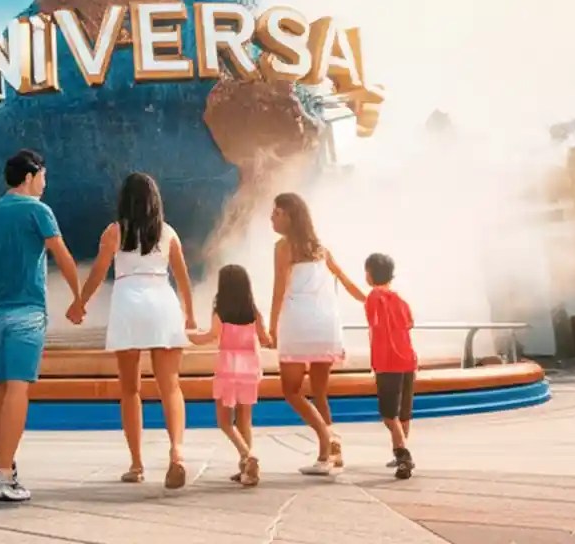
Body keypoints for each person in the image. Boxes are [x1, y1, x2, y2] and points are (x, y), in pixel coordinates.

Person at [69, 172, 196, 488]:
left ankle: (137, 464)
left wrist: (80, 303)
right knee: (171, 386)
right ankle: (177, 452)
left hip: (129, 303)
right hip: (162, 302)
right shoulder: (168, 234)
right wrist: (190, 315)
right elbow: (181, 277)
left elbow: (99, 271)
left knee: (130, 389)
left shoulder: (114, 232)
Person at [0, 149, 82, 502]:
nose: (45, 184)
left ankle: (4, 460)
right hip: (26, 313)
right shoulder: (38, 211)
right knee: (18, 388)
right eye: (44, 177)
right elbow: (62, 255)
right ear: (31, 175)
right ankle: (3, 476)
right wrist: (78, 298)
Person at [267, 192, 366, 476]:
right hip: (327, 325)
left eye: (276, 212)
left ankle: (327, 438)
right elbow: (346, 282)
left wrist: (272, 327)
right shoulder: (321, 247)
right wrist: (373, 300)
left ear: (290, 215)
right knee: (319, 392)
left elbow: (279, 290)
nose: (271, 218)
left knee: (291, 391)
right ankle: (331, 454)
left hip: (299, 323)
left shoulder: (283, 247)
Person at [188, 264, 271, 487]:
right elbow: (266, 339)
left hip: (228, 368)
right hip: (250, 368)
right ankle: (246, 469)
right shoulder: (253, 312)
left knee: (224, 421)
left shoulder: (220, 312)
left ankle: (247, 455)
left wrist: (189, 336)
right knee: (245, 418)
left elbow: (210, 336)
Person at [363, 253, 419, 480]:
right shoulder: (401, 299)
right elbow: (410, 323)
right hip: (408, 360)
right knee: (403, 414)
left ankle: (403, 455)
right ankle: (400, 454)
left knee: (388, 415)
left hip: (388, 362)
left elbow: (373, 320)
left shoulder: (374, 297)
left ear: (369, 274)